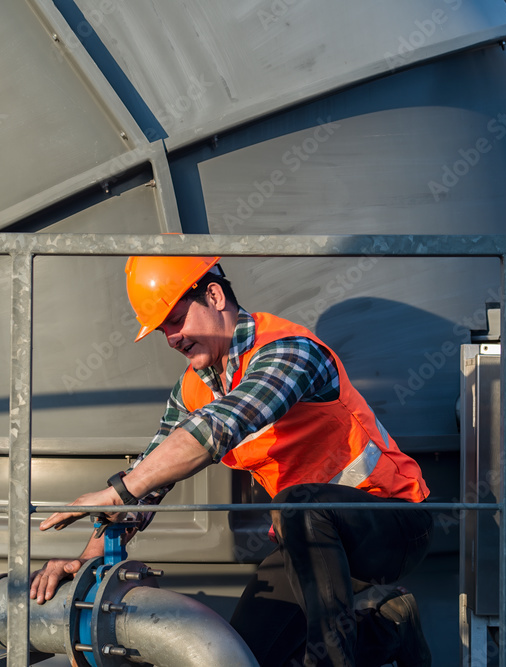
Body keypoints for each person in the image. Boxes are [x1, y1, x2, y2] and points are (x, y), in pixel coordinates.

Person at [30, 255, 433, 667]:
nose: (172, 338)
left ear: (215, 295)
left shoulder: (289, 350)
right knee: (243, 657)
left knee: (299, 509)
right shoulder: (191, 391)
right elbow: (144, 485)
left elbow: (224, 423)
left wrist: (119, 492)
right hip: (308, 541)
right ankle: (390, 628)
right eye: (163, 329)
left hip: (390, 522)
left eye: (176, 320)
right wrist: (87, 558)